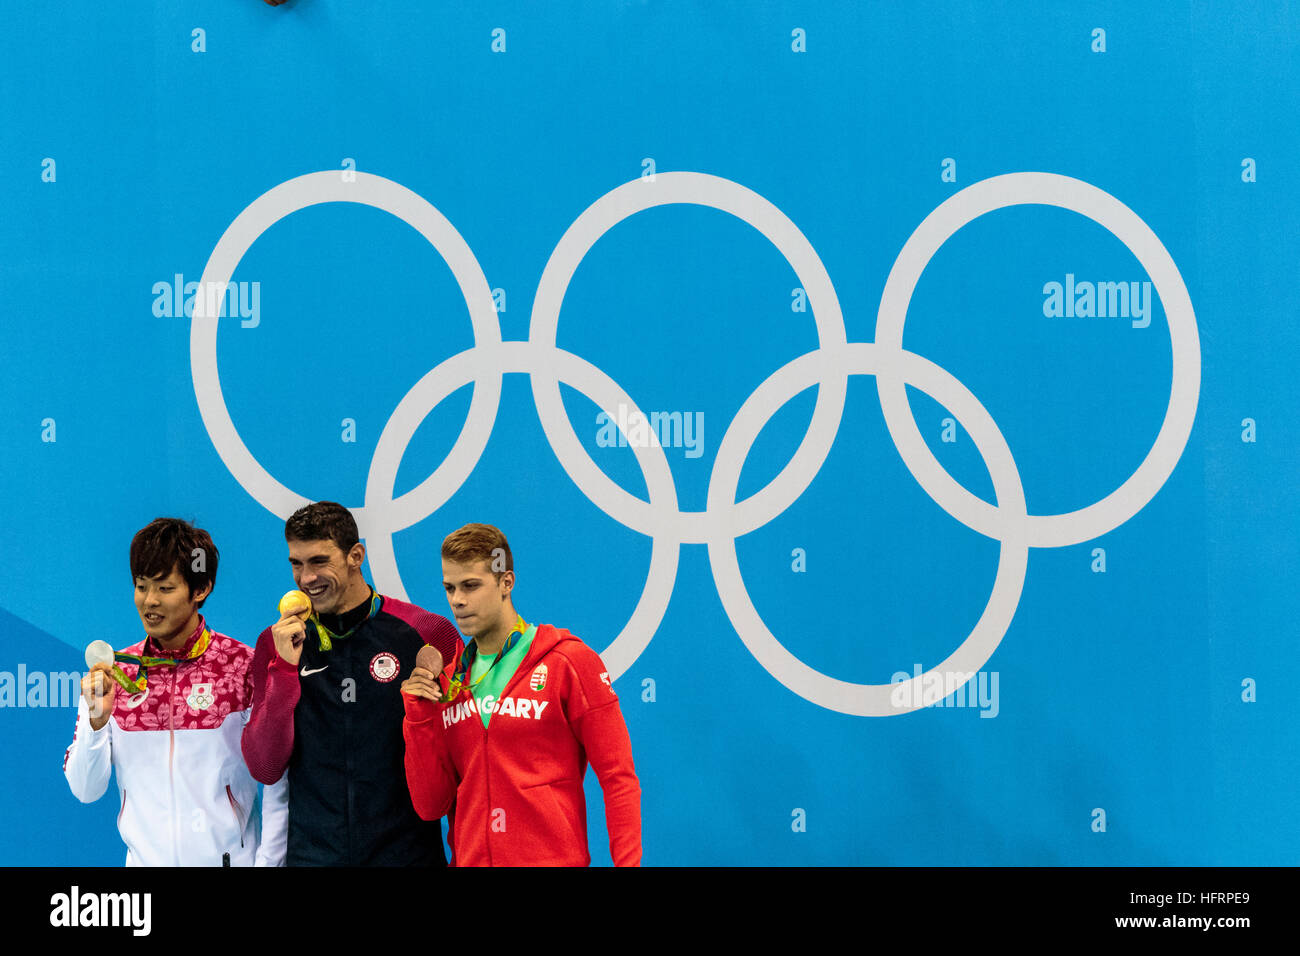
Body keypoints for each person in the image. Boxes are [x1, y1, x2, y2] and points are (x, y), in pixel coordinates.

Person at [402, 523, 642, 866]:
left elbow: (619, 780)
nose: (457, 600)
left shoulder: (567, 662)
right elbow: (430, 807)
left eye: (471, 585)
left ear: (506, 582)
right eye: (450, 587)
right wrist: (418, 716)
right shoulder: (452, 681)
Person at [242, 501, 461, 865]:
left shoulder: (427, 634)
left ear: (356, 555)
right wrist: (284, 668)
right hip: (314, 857)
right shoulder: (276, 644)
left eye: (318, 561)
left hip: (407, 855)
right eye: (296, 563)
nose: (306, 578)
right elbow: (265, 766)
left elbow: (460, 755)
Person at [63, 517, 287, 866]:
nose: (149, 601)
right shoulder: (116, 674)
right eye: (141, 586)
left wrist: (268, 863)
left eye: (165, 588)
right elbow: (86, 790)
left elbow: (277, 781)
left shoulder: (244, 667)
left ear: (201, 589)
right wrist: (95, 722)